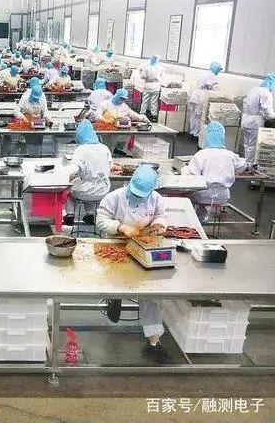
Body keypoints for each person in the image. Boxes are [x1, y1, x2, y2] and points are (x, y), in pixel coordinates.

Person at [96, 165, 168, 363]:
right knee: (116, 281)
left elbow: (161, 215)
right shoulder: (114, 197)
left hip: (144, 246)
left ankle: (154, 341)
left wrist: (158, 224)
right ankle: (114, 297)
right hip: (116, 245)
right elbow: (100, 220)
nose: (138, 197)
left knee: (150, 293)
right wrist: (120, 227)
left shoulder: (156, 199)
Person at [181, 122, 246, 223]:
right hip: (222, 196)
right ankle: (202, 217)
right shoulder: (231, 155)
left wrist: (184, 169)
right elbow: (242, 166)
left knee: (188, 196)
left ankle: (194, 220)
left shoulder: (201, 155)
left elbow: (191, 177)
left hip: (202, 195)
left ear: (207, 137)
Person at [60, 119, 113, 207]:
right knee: (82, 183)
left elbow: (74, 169)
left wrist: (60, 171)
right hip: (104, 189)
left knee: (68, 188)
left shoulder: (81, 149)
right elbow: (110, 166)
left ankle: (70, 213)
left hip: (85, 191)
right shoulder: (104, 148)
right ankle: (90, 213)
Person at [242, 73, 275, 167]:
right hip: (255, 122)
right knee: (253, 145)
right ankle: (249, 166)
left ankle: (245, 163)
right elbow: (268, 113)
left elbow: (245, 103)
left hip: (246, 119)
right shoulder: (266, 93)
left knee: (247, 144)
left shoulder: (254, 89)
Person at [188, 62, 222, 138]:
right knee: (198, 117)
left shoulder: (205, 73)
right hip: (199, 97)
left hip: (194, 96)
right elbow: (214, 88)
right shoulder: (212, 75)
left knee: (193, 115)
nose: (218, 72)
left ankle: (192, 132)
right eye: (218, 70)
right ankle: (196, 134)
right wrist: (220, 94)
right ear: (216, 69)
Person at [139, 54, 164, 121]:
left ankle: (142, 114)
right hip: (156, 86)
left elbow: (142, 76)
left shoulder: (146, 67)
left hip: (148, 85)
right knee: (154, 101)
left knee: (145, 100)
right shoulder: (160, 68)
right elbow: (162, 77)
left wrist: (140, 72)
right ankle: (154, 116)